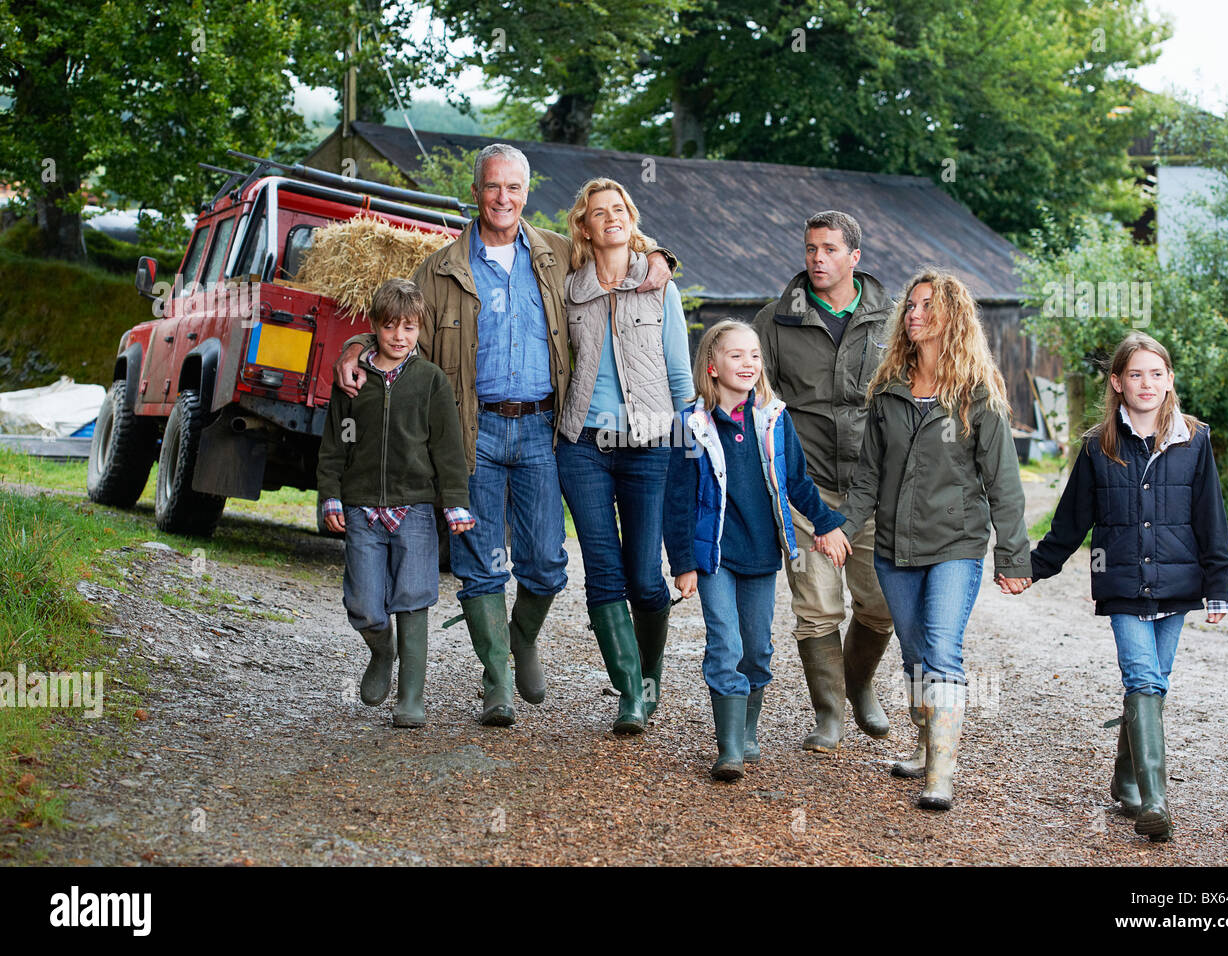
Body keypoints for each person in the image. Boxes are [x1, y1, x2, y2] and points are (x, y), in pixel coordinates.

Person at [333, 144, 674, 728]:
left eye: (514, 188)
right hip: (473, 431)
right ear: (477, 192)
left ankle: (522, 639)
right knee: (480, 564)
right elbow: (394, 324)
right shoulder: (439, 269)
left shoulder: (558, 255)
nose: (504, 198)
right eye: (494, 187)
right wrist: (356, 347)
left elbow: (621, 249)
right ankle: (496, 683)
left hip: (545, 428)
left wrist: (662, 256)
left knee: (545, 563)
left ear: (526, 193)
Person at [832, 269, 1032, 811]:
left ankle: (940, 775)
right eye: (911, 306)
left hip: (956, 545)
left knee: (942, 650)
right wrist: (843, 530)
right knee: (917, 654)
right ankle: (927, 750)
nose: (914, 314)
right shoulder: (888, 390)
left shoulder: (976, 395)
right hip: (895, 547)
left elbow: (1003, 483)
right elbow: (868, 476)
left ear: (952, 318)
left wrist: (1014, 556)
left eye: (926, 306)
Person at [1029, 332, 1228, 842]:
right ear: (1117, 383)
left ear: (1169, 382)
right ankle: (1156, 801)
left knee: (1154, 686)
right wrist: (1033, 567)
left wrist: (1218, 584)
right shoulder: (1099, 446)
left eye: (1156, 373)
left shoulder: (1194, 439)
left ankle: (1125, 781)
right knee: (1143, 681)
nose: (1147, 383)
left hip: (1177, 588)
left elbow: (1211, 519)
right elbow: (1071, 522)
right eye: (1135, 374)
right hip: (1122, 587)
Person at [664, 321, 848, 781]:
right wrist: (684, 562)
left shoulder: (773, 418)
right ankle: (727, 748)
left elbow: (798, 483)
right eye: (736, 355)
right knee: (724, 644)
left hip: (762, 554)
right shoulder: (692, 424)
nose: (748, 364)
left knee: (758, 649)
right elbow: (678, 499)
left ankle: (747, 730)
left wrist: (827, 526)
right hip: (715, 557)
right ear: (712, 364)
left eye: (754, 356)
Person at [752, 210, 896, 754]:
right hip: (804, 485)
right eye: (811, 248)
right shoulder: (775, 320)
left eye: (830, 249)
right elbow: (756, 399)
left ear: (854, 258)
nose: (817, 259)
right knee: (815, 606)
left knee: (881, 602)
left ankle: (859, 685)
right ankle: (829, 713)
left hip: (873, 487)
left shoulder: (893, 319)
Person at [556, 178, 694, 735]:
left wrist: (693, 437)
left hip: (650, 442)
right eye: (598, 213)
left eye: (618, 210)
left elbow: (680, 372)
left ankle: (651, 671)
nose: (609, 218)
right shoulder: (569, 290)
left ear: (631, 218)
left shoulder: (661, 287)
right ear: (584, 226)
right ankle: (631, 695)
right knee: (603, 570)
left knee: (645, 575)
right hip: (584, 445)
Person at [316, 278, 474, 728]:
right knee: (364, 604)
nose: (399, 337)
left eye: (408, 327)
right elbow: (335, 444)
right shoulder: (354, 382)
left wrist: (455, 501)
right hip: (362, 507)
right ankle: (382, 652)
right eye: (390, 327)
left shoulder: (430, 381)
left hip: (416, 508)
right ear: (374, 327)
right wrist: (330, 495)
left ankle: (411, 697)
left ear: (419, 329)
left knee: (414, 598)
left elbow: (447, 448)